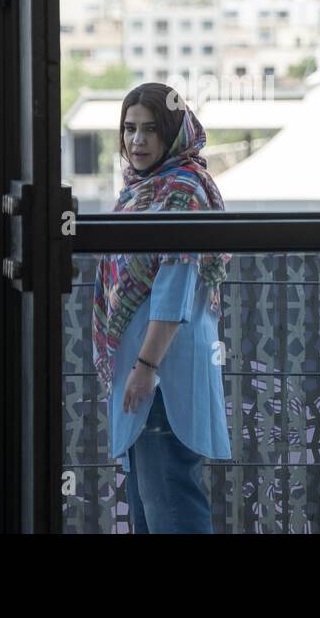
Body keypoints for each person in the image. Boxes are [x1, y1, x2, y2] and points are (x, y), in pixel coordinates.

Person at [93, 82, 232, 533]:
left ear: (172, 132)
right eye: (129, 129)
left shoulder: (182, 189)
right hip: (142, 369)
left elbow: (175, 286)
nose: (137, 141)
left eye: (151, 129)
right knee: (149, 508)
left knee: (169, 504)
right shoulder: (142, 190)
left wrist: (146, 365)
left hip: (160, 373)